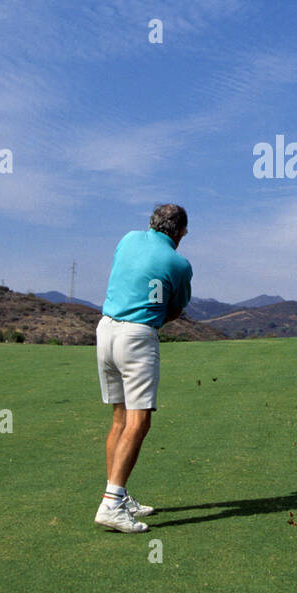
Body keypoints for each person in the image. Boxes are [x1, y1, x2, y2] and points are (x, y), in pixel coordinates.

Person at [94, 204, 192, 533]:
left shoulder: (127, 239)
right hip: (137, 336)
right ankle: (111, 503)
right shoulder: (179, 263)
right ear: (179, 232)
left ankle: (117, 496)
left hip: (105, 330)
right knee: (139, 420)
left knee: (120, 417)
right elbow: (174, 309)